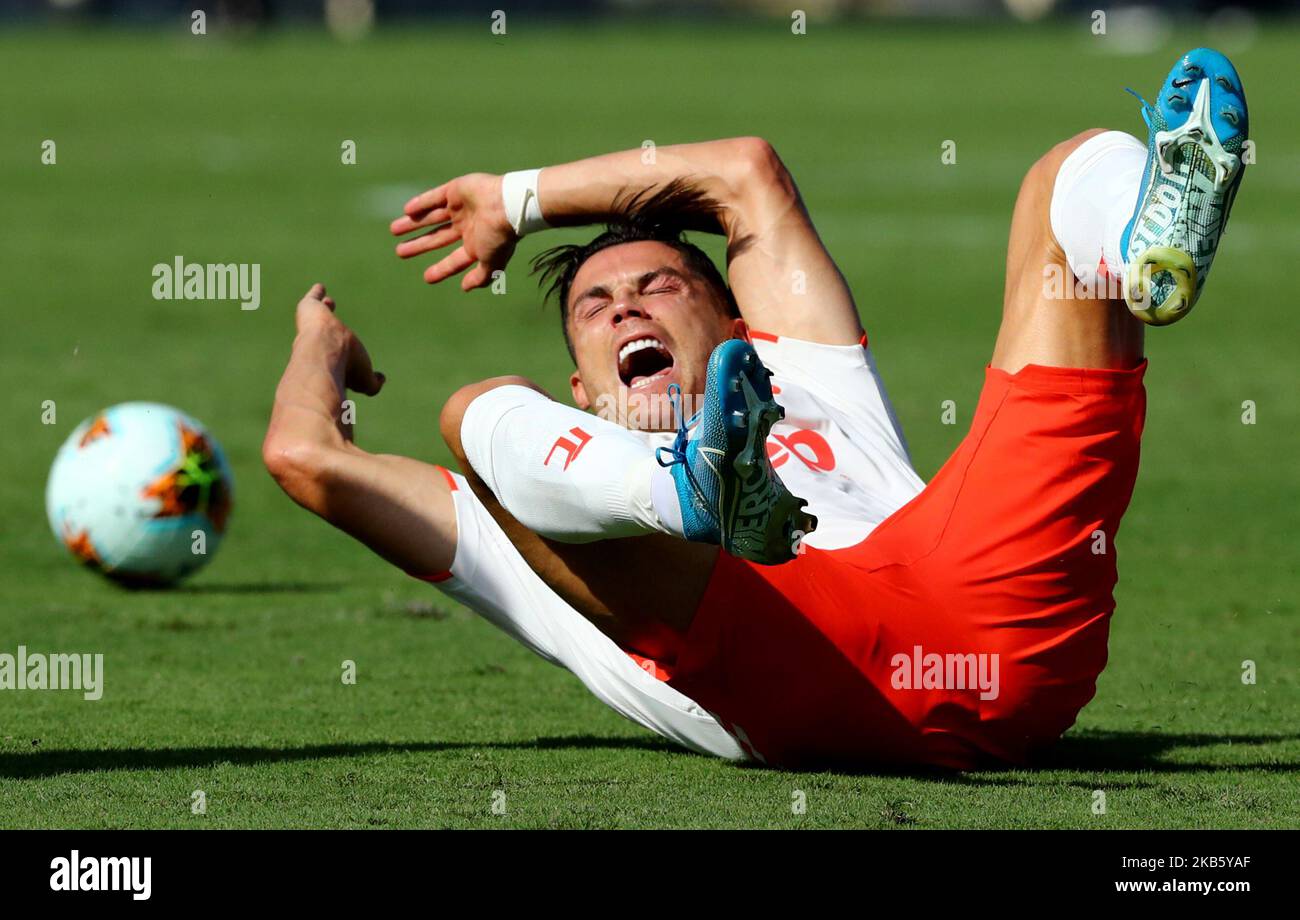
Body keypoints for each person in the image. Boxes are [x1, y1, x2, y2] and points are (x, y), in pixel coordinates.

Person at [263, 48, 1248, 768]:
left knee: (1071, 167)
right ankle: (679, 491)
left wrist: (517, 201)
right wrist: (320, 341)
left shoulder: (801, 372)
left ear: (738, 317)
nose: (626, 309)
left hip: (990, 611)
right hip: (784, 663)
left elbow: (742, 173)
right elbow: (305, 454)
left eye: (657, 286)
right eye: (595, 309)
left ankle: (1141, 254)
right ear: (581, 388)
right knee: (472, 412)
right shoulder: (535, 504)